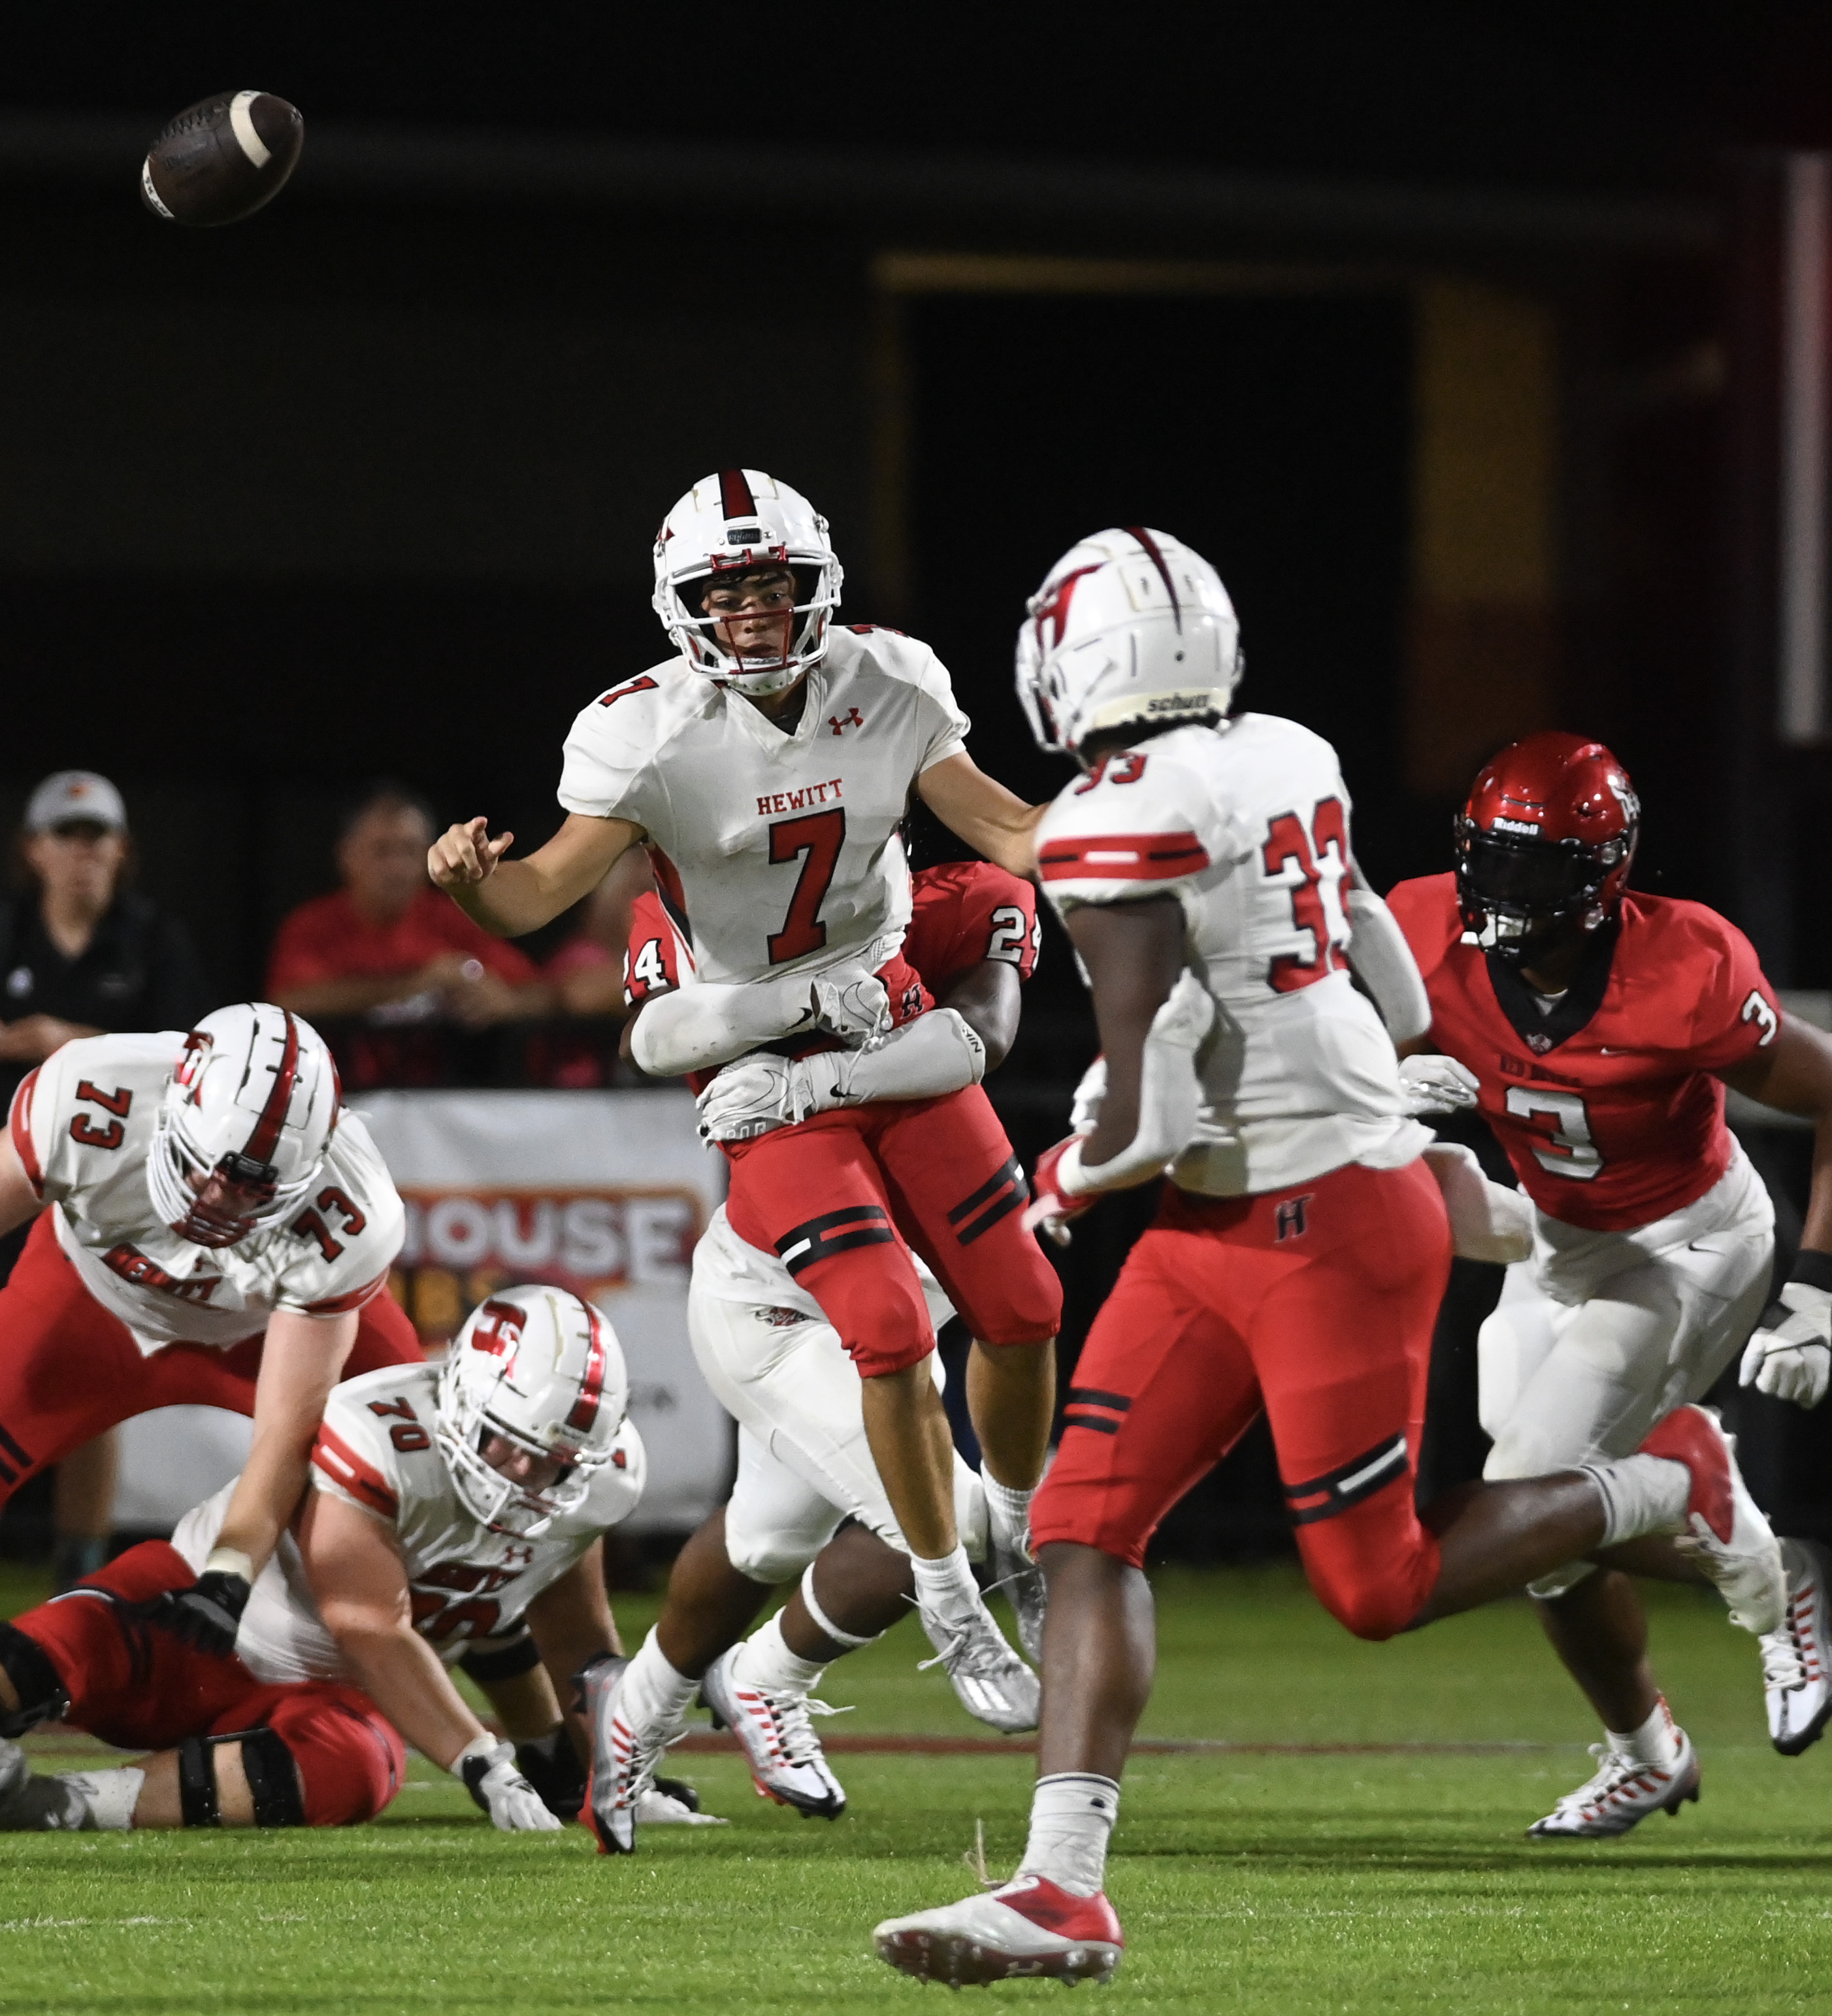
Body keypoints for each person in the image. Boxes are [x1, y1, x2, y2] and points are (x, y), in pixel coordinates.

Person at [871, 528, 1784, 1988]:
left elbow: (1147, 1112)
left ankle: (1673, 1474)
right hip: (1223, 1220)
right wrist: (1374, 1064)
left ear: (1074, 663)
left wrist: (1060, 1176)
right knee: (1084, 1524)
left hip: (1325, 1222)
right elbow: (1374, 946)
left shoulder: (1110, 823)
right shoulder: (1285, 751)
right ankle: (1061, 1886)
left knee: (1375, 1590)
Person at [429, 469, 1062, 1718]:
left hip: (881, 1003)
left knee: (1026, 1302)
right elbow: (534, 896)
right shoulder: (645, 730)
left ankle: (1023, 1547)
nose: (754, 611)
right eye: (726, 593)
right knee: (886, 1324)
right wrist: (468, 885)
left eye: (771, 584)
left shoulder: (891, 680)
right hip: (757, 1048)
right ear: (685, 607)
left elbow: (1007, 834)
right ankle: (949, 1599)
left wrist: (1123, 810)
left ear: (812, 584)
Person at [1379, 733, 1832, 1831]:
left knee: (1528, 1484)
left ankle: (1768, 1576)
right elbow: (1312, 1042)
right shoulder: (1414, 927)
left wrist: (1817, 1288)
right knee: (1538, 1529)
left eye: (1532, 867)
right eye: (1487, 856)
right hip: (1553, 1239)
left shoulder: (1684, 967)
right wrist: (1374, 1082)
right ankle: (1650, 1749)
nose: (1499, 888)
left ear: (1601, 877)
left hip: (1686, 1243)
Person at [581, 859, 1044, 1840]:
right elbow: (655, 1037)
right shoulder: (724, 921)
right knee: (954, 1520)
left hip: (886, 1295)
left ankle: (652, 1705)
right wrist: (788, 1020)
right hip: (776, 1306)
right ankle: (763, 1677)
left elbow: (980, 1036)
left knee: (764, 1541)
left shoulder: (957, 903)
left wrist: (823, 1075)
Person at [0, 1284, 712, 1834]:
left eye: (556, 1461)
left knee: (361, 1766)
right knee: (57, 1648)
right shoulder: (378, 1431)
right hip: (198, 1625)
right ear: (461, 1398)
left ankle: (59, 1804)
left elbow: (566, 1635)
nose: (525, 1475)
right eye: (506, 1440)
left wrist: (611, 1771)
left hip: (327, 1700)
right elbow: (365, 1621)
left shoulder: (601, 1482)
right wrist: (481, 1760)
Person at [0, 1002, 422, 1655]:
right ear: (174, 1105)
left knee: (416, 1480)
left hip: (264, 1328)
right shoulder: (93, 1092)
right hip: (88, 1293)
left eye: (254, 1189)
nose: (218, 1201)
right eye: (207, 1168)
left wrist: (230, 1569)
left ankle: (537, 1689)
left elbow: (286, 1433)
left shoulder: (352, 1211)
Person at [0, 768, 212, 1589]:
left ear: (122, 851)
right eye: (67, 834)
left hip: (111, 1191)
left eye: (98, 837)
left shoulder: (152, 938)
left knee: (86, 1372)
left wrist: (70, 1040)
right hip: (14, 1168)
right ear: (35, 849)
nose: (83, 852)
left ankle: (80, 1563)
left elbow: (202, 1056)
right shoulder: (9, 930)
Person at [268, 783, 553, 1034]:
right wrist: (416, 986)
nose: (396, 868)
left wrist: (506, 1003)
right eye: (381, 851)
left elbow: (541, 994)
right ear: (346, 855)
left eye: (409, 851)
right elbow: (290, 1003)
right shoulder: (313, 926)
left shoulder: (452, 919)